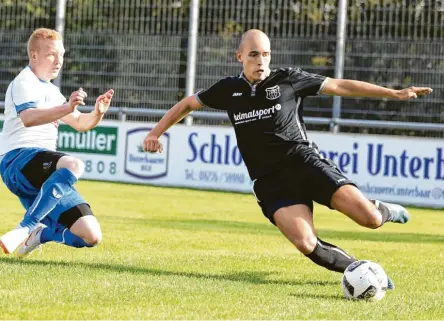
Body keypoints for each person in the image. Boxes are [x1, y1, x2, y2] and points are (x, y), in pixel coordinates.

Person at [143, 29, 433, 285]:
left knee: (369, 219)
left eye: (266, 54)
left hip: (304, 163)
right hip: (271, 183)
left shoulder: (289, 80)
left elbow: (340, 86)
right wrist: (155, 133)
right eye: (254, 54)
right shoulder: (227, 90)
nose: (261, 60)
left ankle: (384, 209)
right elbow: (188, 103)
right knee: (307, 244)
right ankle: (365, 273)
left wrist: (394, 93)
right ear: (239, 56)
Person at [0, 28, 114, 257]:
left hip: (44, 175)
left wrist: (98, 112)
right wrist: (66, 107)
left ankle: (40, 234)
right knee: (74, 165)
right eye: (52, 55)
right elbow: (28, 118)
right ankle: (25, 226)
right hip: (19, 161)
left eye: (62, 54)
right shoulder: (24, 81)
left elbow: (80, 123)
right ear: (34, 55)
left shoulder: (52, 91)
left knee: (91, 235)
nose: (59, 61)